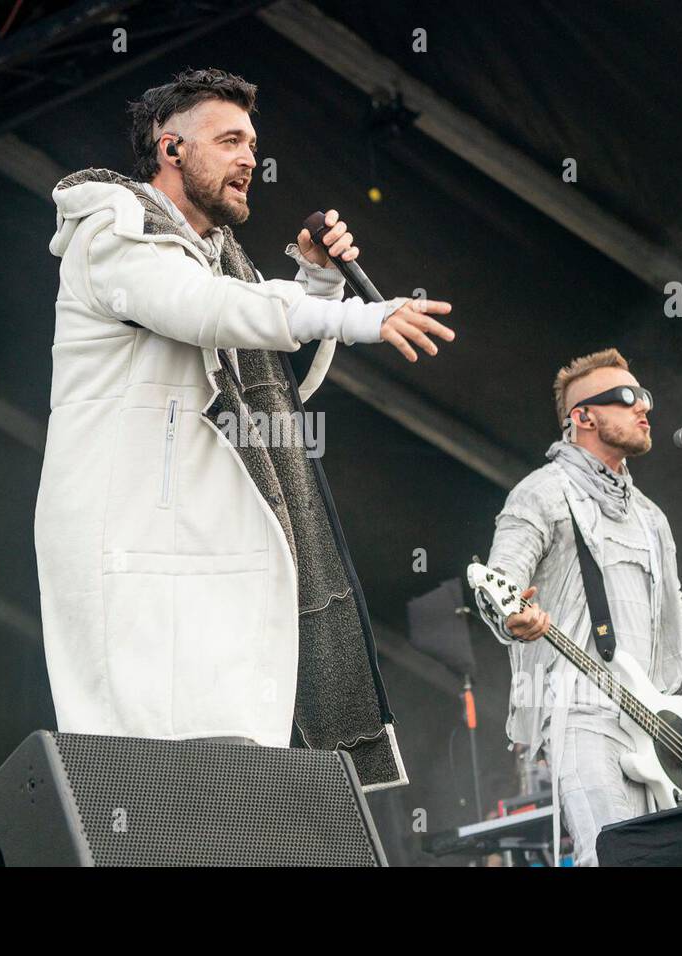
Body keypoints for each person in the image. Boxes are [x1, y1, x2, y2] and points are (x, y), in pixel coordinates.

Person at [35, 67, 455, 789]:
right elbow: (208, 311)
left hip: (197, 541)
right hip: (127, 538)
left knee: (234, 765)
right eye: (229, 139)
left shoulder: (217, 260)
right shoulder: (113, 232)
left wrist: (319, 279)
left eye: (253, 143)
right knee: (146, 773)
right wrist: (358, 315)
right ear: (170, 149)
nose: (248, 158)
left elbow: (270, 374)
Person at [481, 348, 682, 864]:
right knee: (614, 855)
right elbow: (498, 582)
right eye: (626, 399)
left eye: (644, 397)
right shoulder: (541, 493)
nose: (643, 408)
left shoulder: (651, 517)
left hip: (662, 725)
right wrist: (513, 618)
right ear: (583, 417)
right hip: (582, 712)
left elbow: (677, 621)